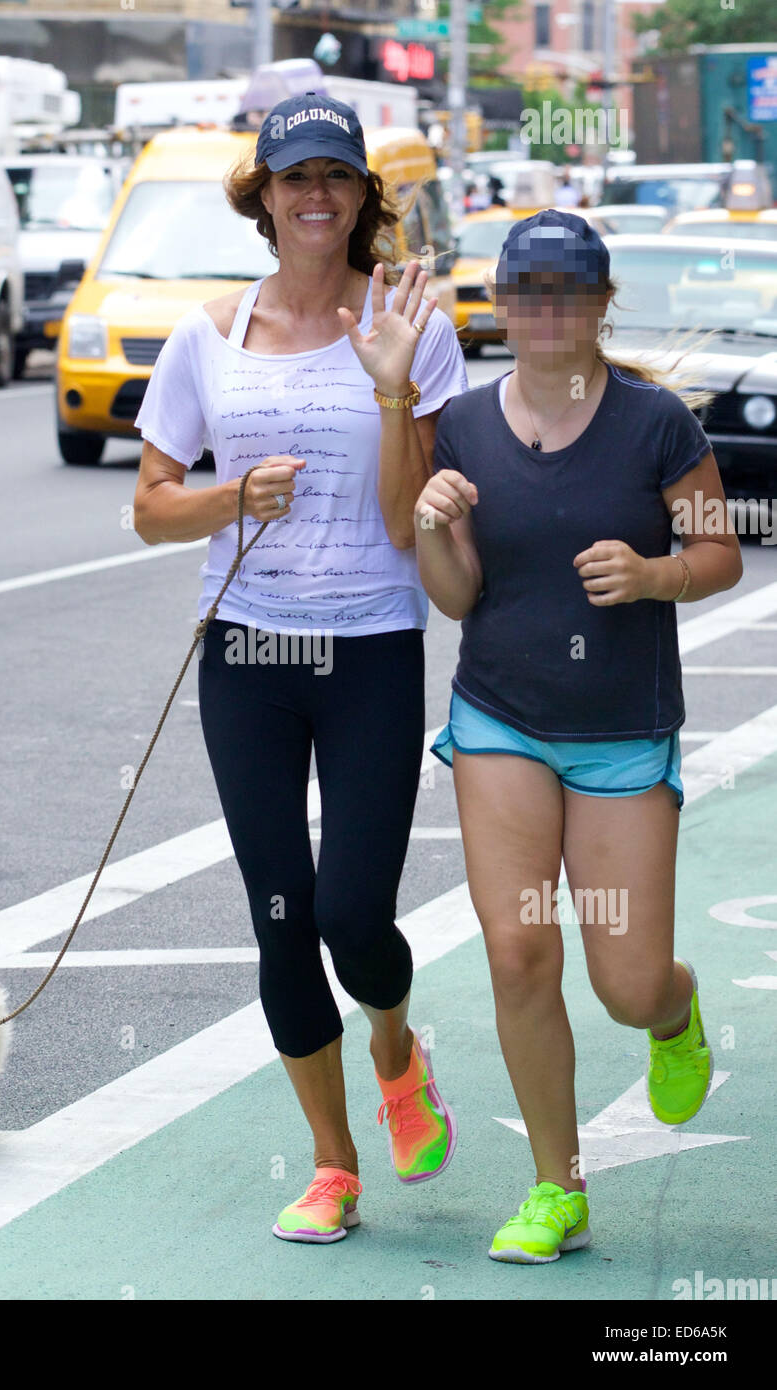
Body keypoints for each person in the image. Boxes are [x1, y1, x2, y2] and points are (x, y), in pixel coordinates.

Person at [131, 90, 469, 1243]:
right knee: (280, 916)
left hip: (369, 645)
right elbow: (150, 508)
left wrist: (388, 382)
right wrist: (232, 494)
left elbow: (402, 530)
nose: (313, 192)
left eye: (334, 174)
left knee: (353, 913)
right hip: (247, 654)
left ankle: (393, 1044)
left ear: (362, 195)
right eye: (292, 176)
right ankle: (332, 1165)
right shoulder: (206, 338)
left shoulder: (413, 325)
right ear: (263, 200)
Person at [410, 209, 742, 1263]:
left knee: (624, 983)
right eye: (524, 292)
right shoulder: (460, 425)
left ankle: (674, 1008)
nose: (543, 311)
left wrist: (652, 576)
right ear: (500, 304)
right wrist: (431, 526)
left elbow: (720, 556)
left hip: (618, 737)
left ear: (599, 305)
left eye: (565, 292)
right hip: (499, 717)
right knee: (516, 948)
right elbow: (456, 598)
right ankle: (555, 1188)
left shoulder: (654, 424)